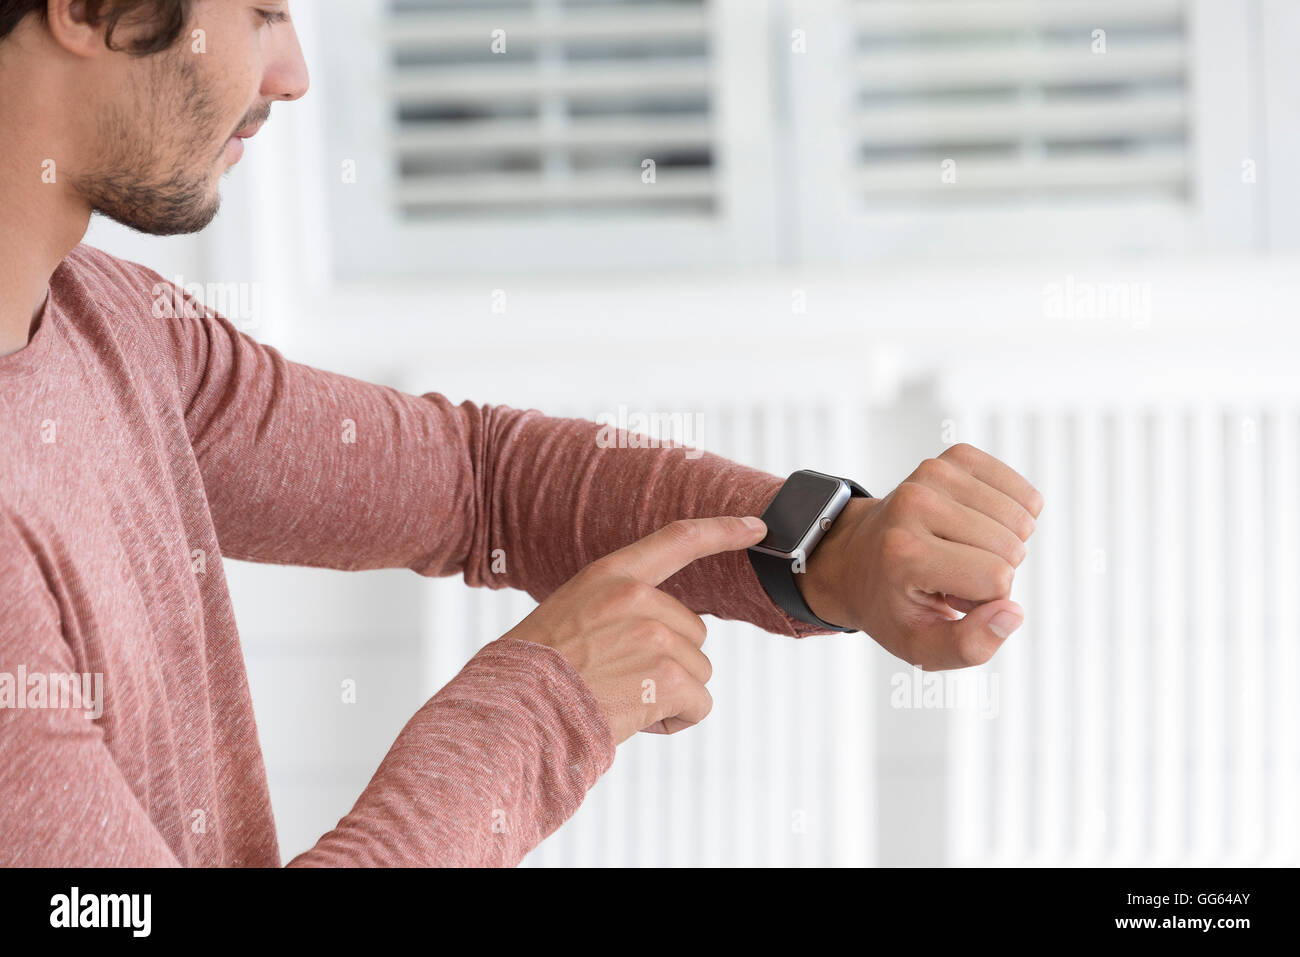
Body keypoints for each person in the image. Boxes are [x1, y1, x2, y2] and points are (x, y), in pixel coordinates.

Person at [0, 0, 1043, 866]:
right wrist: (545, 709)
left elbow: (476, 481)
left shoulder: (110, 319)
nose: (292, 74)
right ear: (90, 12)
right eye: (262, 11)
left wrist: (829, 547)